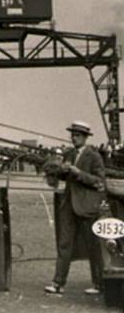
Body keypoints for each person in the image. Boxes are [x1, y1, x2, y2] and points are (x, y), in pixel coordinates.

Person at [42, 121, 106, 296]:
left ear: (85, 138)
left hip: (86, 207)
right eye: (72, 135)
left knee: (92, 246)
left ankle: (99, 284)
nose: (73, 138)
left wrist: (78, 173)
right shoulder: (69, 154)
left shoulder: (94, 156)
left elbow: (99, 181)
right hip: (69, 206)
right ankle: (58, 283)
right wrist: (59, 170)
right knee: (64, 244)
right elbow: (64, 176)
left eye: (77, 135)